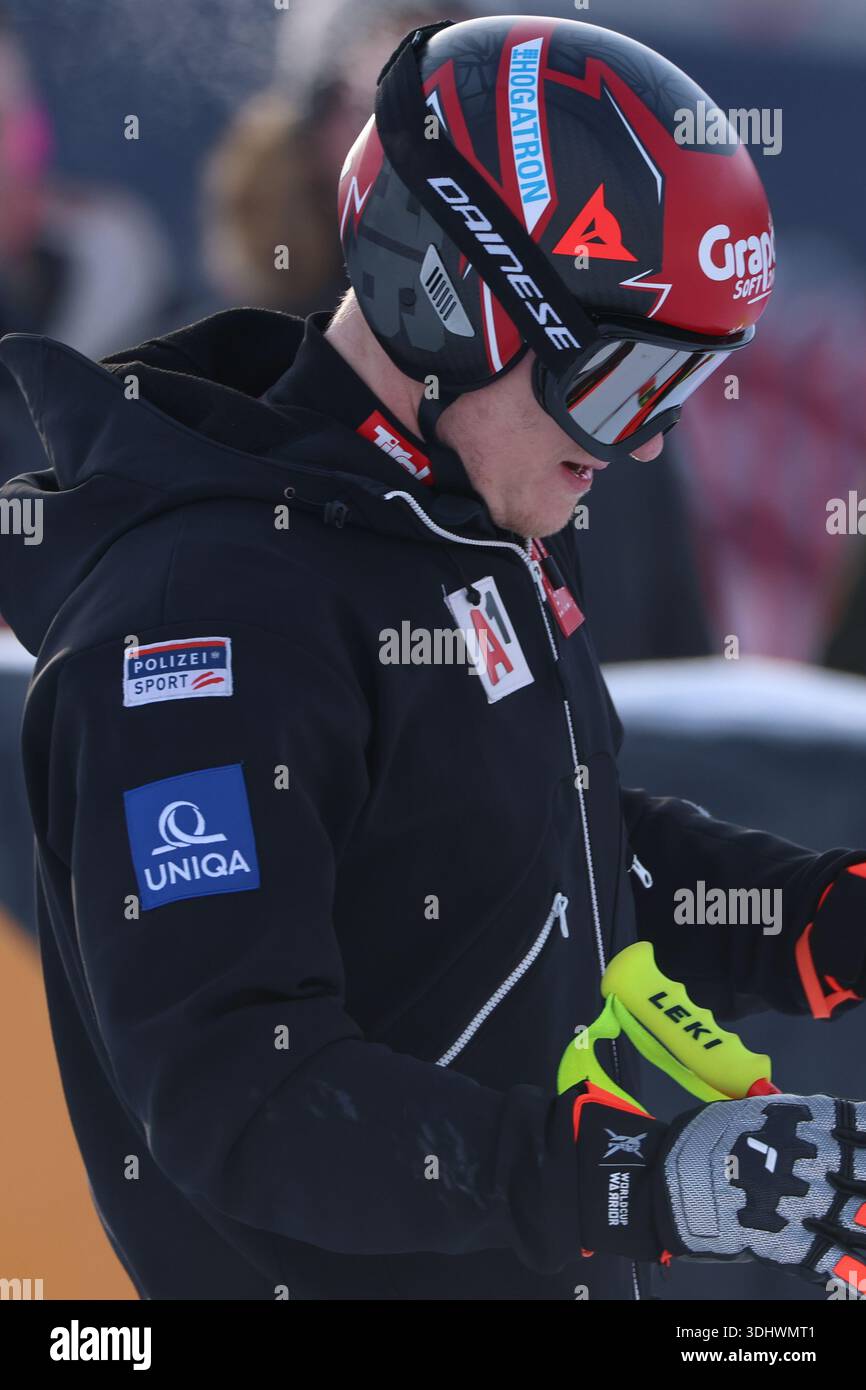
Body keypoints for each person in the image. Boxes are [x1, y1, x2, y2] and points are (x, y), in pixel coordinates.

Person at [0, 15, 864, 1302]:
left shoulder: (459, 523)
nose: (631, 449)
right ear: (452, 297)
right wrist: (648, 1177)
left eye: (677, 397)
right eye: (620, 384)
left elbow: (526, 854)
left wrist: (813, 921)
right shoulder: (200, 617)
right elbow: (244, 1096)